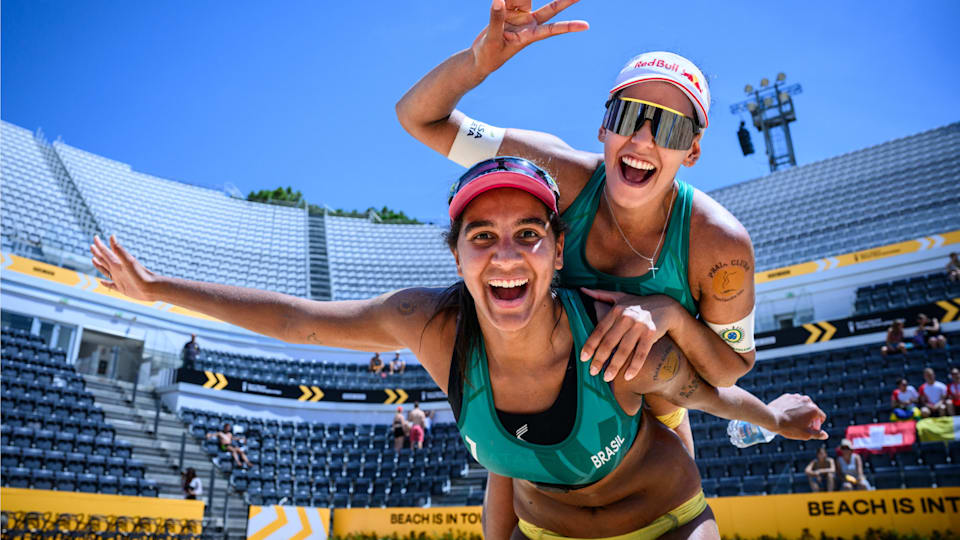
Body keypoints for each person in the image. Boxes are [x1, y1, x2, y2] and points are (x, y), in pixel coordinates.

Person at [90, 158, 826, 539]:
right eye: (482, 237)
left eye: (527, 235)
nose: (505, 255)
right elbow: (298, 321)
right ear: (457, 257)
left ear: (556, 252)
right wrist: (156, 289)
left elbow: (706, 394)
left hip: (665, 526)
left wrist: (776, 418)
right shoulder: (433, 326)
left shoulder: (609, 332)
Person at [396, 0, 758, 462]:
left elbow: (730, 369)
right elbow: (418, 117)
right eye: (628, 116)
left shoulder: (717, 243)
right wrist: (478, 62)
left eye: (669, 129)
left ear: (693, 151)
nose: (643, 139)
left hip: (654, 421)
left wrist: (670, 315)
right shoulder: (559, 174)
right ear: (604, 126)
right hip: (546, 404)